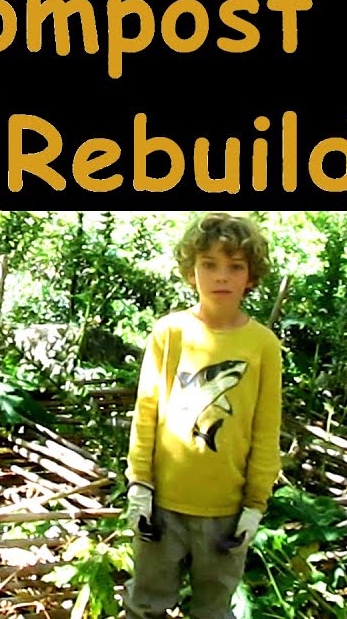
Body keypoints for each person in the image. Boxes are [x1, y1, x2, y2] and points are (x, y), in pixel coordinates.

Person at [122, 213, 283, 619]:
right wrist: (139, 485)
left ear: (251, 276)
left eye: (235, 266)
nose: (221, 276)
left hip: (226, 512)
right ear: (191, 271)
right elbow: (147, 411)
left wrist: (255, 504)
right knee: (145, 606)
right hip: (162, 505)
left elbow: (266, 429)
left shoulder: (263, 344)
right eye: (209, 264)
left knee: (213, 611)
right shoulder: (169, 332)